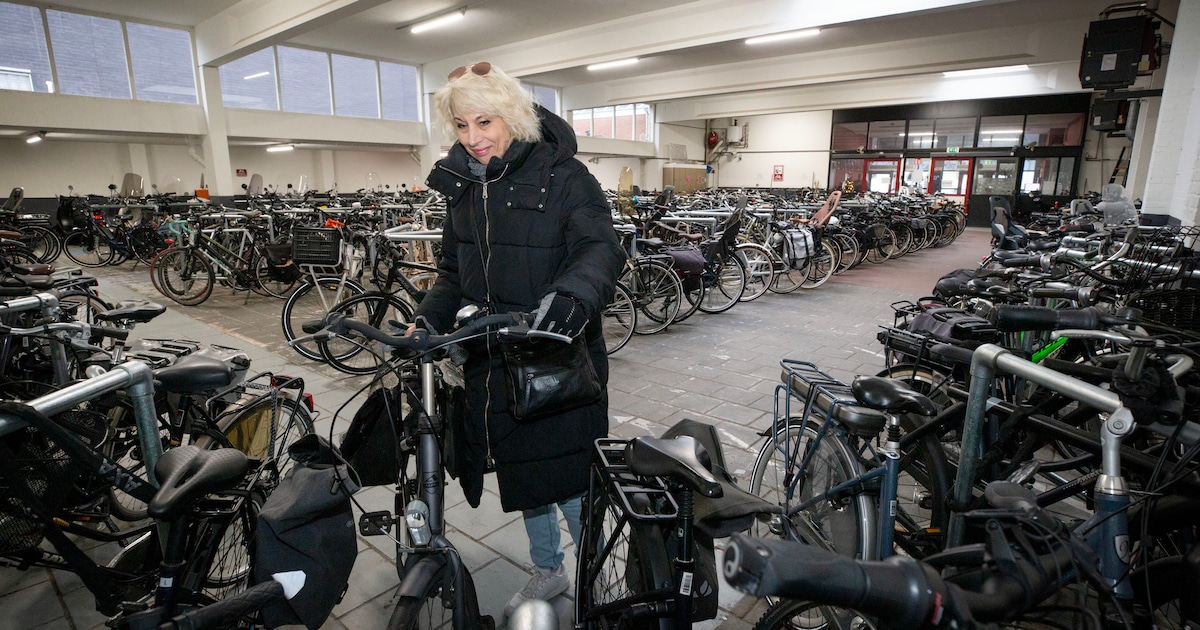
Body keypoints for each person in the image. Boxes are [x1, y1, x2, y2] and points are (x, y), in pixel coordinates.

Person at [411, 61, 625, 617]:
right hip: (497, 359)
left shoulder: (563, 175)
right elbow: (454, 274)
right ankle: (549, 570)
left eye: (486, 121)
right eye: (462, 125)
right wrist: (426, 321)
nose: (474, 137)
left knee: (573, 482)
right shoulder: (464, 188)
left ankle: (598, 580)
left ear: (511, 116)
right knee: (528, 477)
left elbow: (599, 247)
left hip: (557, 355)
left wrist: (571, 300)